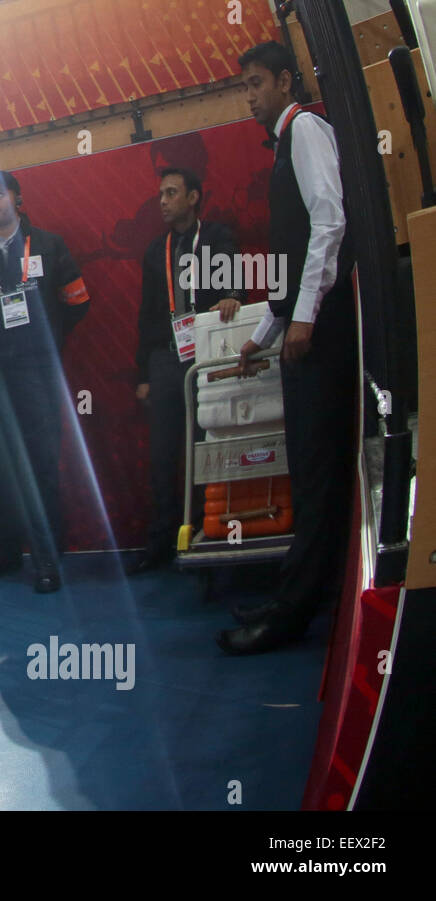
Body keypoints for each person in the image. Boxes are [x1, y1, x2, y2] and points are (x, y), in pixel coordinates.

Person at [221, 41, 357, 655]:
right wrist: (263, 336)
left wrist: (303, 321)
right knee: (309, 470)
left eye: (255, 83)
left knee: (317, 472)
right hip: (304, 333)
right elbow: (292, 259)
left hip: (322, 339)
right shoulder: (284, 144)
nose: (249, 96)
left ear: (283, 80)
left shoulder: (304, 130)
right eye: (244, 86)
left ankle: (294, 613)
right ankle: (299, 595)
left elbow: (330, 223)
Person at [0, 169, 90, 593]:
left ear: (17, 198)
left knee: (42, 463)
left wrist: (46, 339)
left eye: (0, 194)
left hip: (38, 371)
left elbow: (78, 301)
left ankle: (47, 556)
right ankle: (5, 552)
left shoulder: (48, 245)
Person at [128, 167, 242, 574]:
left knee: (205, 448)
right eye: (160, 193)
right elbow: (147, 315)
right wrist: (143, 374)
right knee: (163, 455)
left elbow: (235, 285)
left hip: (207, 353)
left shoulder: (217, 238)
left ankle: (203, 534)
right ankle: (162, 540)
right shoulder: (154, 250)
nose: (162, 200)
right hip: (165, 358)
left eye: (172, 192)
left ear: (193, 197)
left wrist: (231, 297)